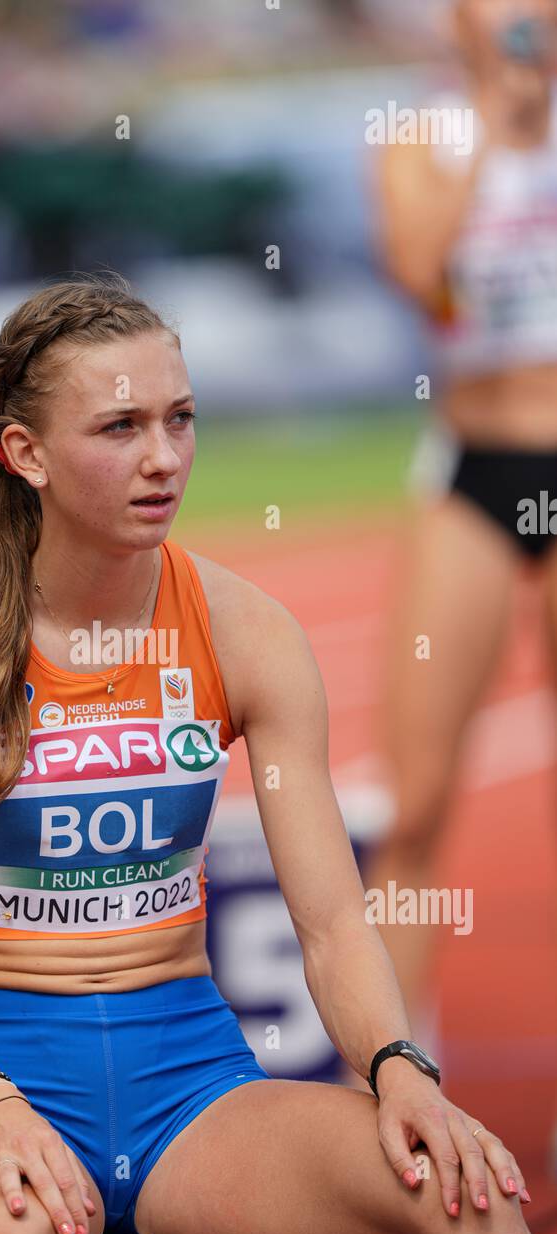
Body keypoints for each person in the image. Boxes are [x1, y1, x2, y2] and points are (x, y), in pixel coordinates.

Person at [0, 273, 538, 1234]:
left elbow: (331, 928)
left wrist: (399, 1067)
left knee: (467, 1209)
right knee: (22, 1227)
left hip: (190, 1088)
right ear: (25, 453)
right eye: (119, 427)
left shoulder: (244, 629)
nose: (162, 457)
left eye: (179, 419)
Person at [359, 0, 557, 1085]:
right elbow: (414, 266)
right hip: (472, 469)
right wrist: (493, 116)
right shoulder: (417, 134)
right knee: (417, 797)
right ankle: (395, 1074)